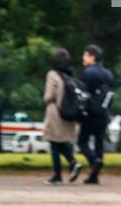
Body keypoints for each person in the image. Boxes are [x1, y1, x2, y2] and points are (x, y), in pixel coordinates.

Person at [74, 44, 114, 185]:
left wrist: (79, 113)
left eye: (85, 55)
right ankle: (94, 175)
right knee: (99, 142)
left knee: (82, 141)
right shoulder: (108, 74)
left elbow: (82, 94)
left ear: (92, 57)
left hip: (90, 113)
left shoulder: (88, 73)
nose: (83, 58)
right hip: (103, 113)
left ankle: (94, 161)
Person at [42, 48, 80, 184]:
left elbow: (49, 95)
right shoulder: (70, 75)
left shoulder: (52, 74)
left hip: (55, 112)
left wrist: (46, 98)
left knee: (54, 144)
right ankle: (73, 163)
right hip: (68, 113)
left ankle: (58, 175)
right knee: (61, 143)